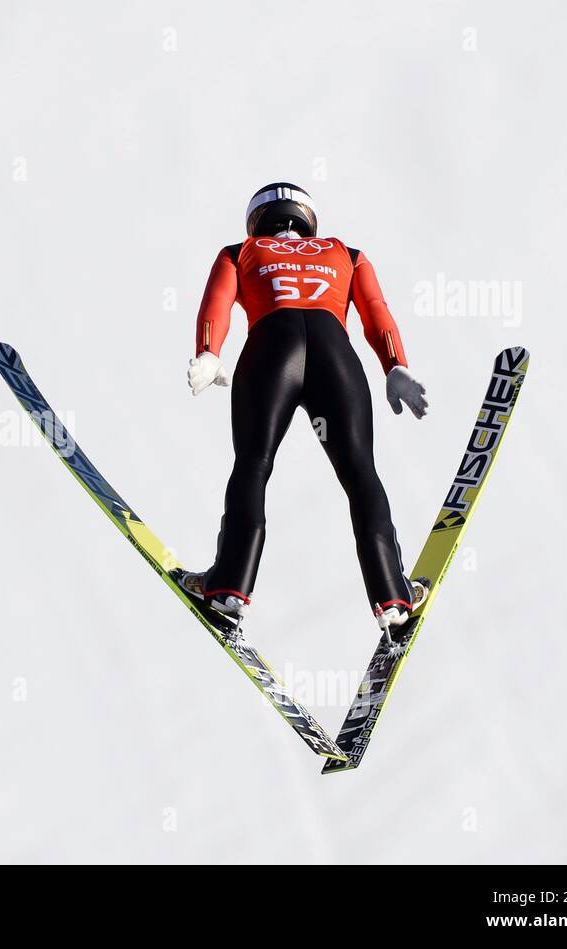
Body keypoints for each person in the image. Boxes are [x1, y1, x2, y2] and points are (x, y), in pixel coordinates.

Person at [181, 182, 429, 635]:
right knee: (360, 472)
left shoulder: (240, 252)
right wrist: (395, 365)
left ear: (256, 221)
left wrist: (209, 351)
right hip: (334, 353)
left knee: (253, 464)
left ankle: (230, 586)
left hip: (271, 348)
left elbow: (216, 302)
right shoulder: (347, 253)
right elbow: (375, 309)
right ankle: (392, 595)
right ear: (308, 219)